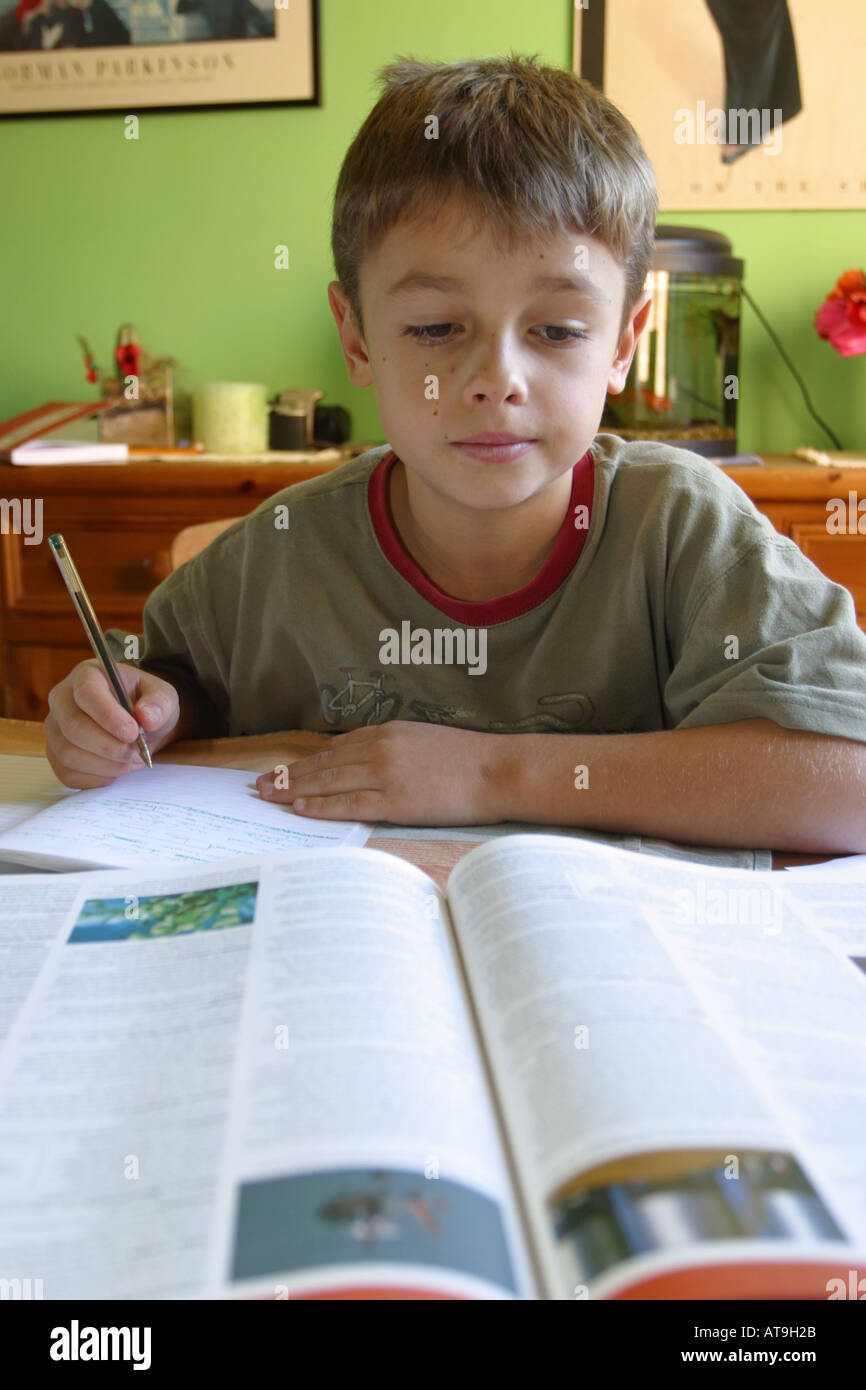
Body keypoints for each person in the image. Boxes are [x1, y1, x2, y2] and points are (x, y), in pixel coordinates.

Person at [44, 54, 866, 852]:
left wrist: (493, 773)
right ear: (356, 337)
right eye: (436, 328)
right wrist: (131, 714)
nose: (495, 381)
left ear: (624, 342)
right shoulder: (277, 555)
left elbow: (849, 781)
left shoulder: (682, 527)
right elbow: (170, 679)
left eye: (558, 330)